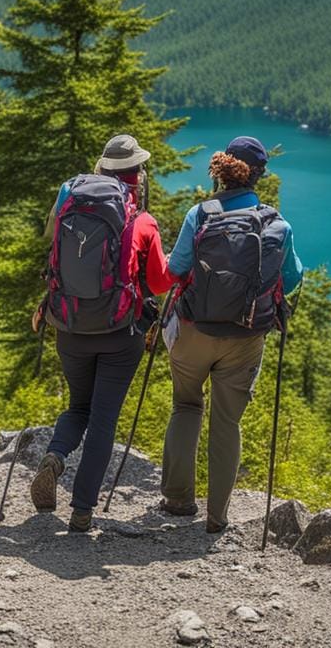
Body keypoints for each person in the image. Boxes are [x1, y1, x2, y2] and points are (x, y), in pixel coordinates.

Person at [29, 134, 174, 532]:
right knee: (103, 419)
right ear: (137, 176)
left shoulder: (69, 202)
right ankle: (81, 509)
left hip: (70, 325)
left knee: (78, 406)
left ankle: (55, 456)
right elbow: (159, 282)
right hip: (119, 332)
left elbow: (53, 251)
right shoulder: (141, 221)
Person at [159, 136, 303, 534]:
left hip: (193, 330)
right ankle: (217, 516)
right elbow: (292, 279)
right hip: (245, 335)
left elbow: (176, 269)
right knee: (227, 421)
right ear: (259, 176)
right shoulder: (277, 224)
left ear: (222, 170)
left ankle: (178, 499)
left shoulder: (200, 214)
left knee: (186, 406)